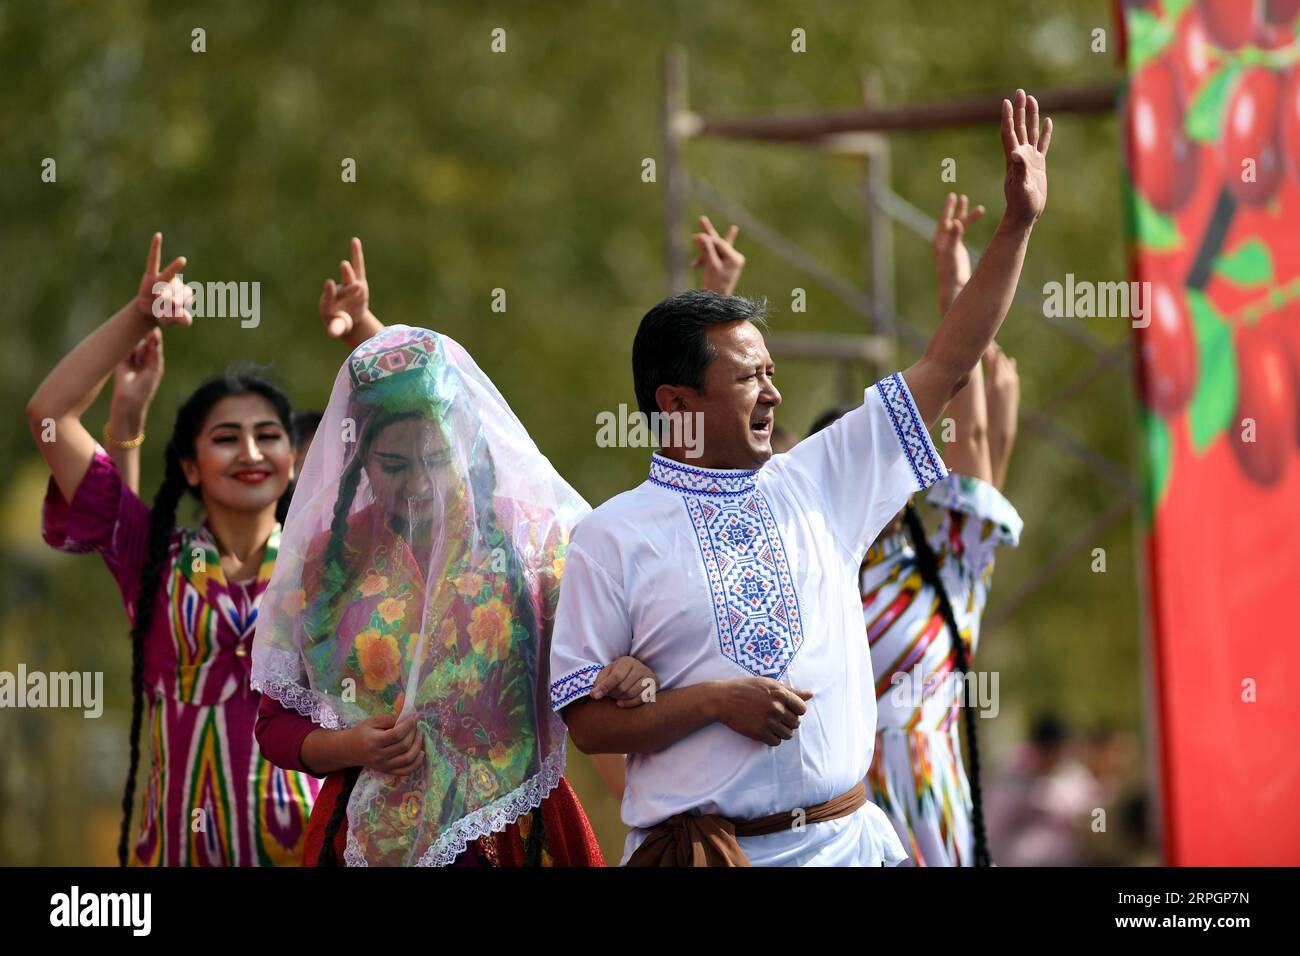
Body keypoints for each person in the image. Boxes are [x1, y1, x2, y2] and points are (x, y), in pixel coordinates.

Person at [549, 90, 1052, 866]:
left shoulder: (817, 480)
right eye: (750, 378)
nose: (775, 394)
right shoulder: (610, 535)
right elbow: (589, 725)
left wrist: (1018, 224)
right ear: (676, 403)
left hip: (849, 844)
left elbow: (948, 365)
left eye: (773, 372)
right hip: (711, 857)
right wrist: (714, 703)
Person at [252, 323, 650, 865]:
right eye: (393, 465)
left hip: (512, 828)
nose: (417, 484)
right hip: (368, 834)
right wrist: (350, 746)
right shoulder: (328, 563)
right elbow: (274, 724)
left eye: (437, 460)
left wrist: (627, 673)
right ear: (360, 459)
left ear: (467, 443)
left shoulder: (530, 544)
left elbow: (592, 674)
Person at [27, 234, 320, 865]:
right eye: (225, 438)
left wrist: (364, 332)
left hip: (312, 853)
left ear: (293, 462)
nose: (249, 452)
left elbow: (421, 438)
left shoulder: (328, 565)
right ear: (190, 465)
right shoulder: (155, 559)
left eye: (268, 435)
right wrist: (139, 315)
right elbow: (50, 414)